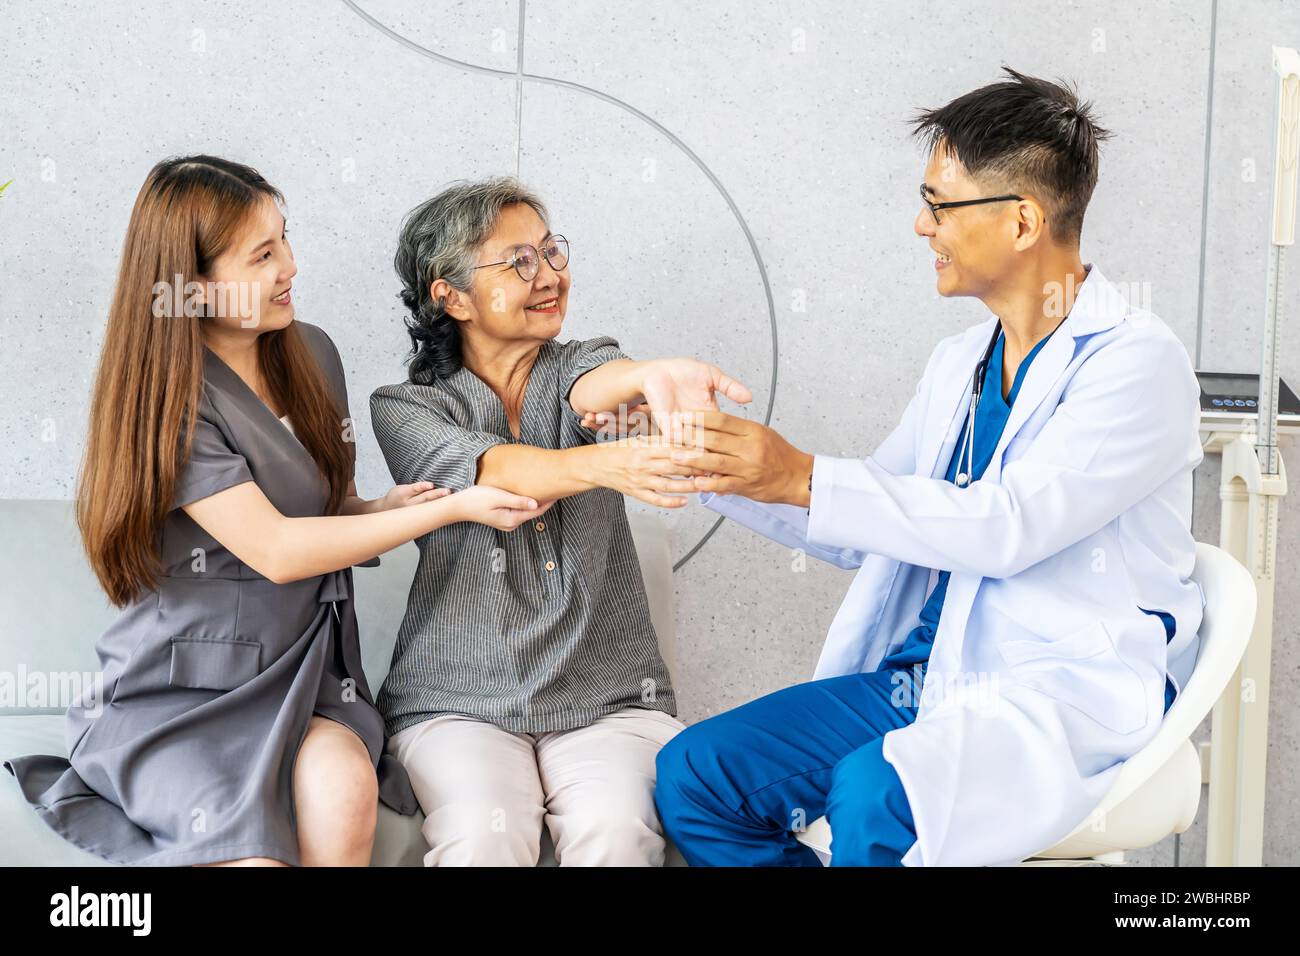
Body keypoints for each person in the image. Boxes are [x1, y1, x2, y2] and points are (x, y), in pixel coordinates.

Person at [653, 68, 1204, 866]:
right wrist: (711, 461)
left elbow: (1009, 526)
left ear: (1021, 221)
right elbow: (864, 523)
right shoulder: (959, 365)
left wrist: (802, 474)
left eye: (939, 205)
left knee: (875, 793)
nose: (921, 226)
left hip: (1054, 690)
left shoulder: (1136, 364)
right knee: (695, 777)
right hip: (928, 680)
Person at [3, 155, 547, 866]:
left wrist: (377, 507)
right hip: (184, 691)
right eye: (262, 255)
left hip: (307, 673)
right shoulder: (176, 403)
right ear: (190, 288)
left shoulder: (312, 353)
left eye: (284, 239)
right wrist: (449, 512)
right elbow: (278, 548)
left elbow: (319, 507)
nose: (290, 265)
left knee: (346, 784)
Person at [369, 177, 749, 865]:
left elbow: (602, 383)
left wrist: (653, 378)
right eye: (518, 261)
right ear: (448, 295)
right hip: (457, 700)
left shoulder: (581, 363)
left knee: (615, 835)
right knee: (482, 838)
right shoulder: (405, 407)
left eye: (551, 252)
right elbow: (495, 473)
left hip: (610, 698)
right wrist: (611, 464)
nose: (548, 275)